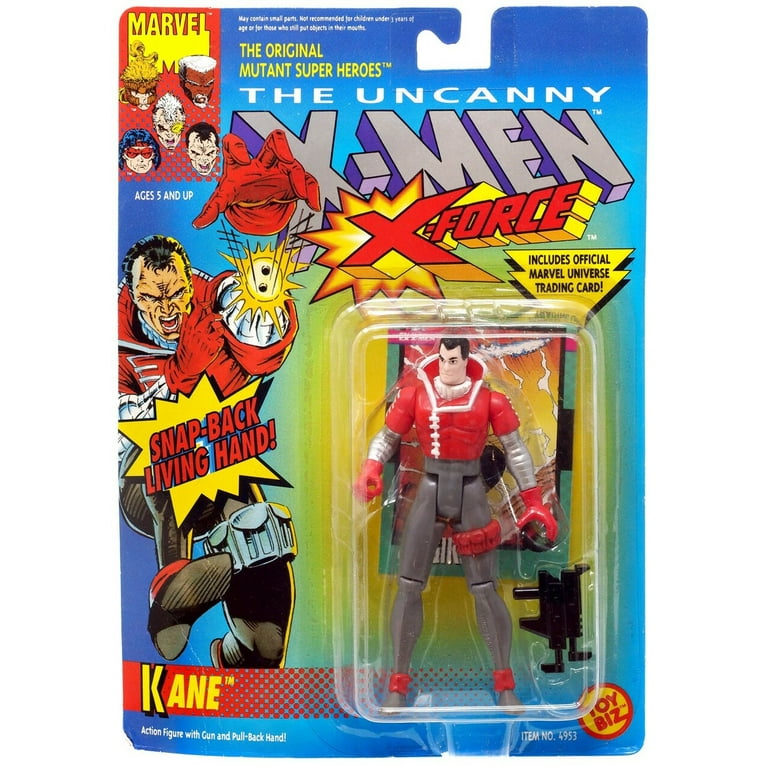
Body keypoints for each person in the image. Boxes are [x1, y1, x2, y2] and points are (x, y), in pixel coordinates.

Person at [118, 234, 298, 663]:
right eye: (151, 298)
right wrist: (177, 379)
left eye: (177, 294)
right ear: (134, 296)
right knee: (164, 453)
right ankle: (171, 587)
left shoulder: (213, 298)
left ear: (188, 284)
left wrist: (263, 298)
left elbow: (259, 333)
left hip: (220, 461)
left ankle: (248, 652)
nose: (167, 309)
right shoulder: (109, 332)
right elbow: (117, 433)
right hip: (146, 487)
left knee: (260, 530)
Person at [354, 337, 558, 708]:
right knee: (408, 585)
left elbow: (516, 449)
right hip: (429, 491)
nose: (447, 366)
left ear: (466, 360)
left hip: (472, 493)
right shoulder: (414, 397)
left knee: (485, 588)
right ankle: (398, 684)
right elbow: (387, 437)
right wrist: (371, 467)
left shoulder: (491, 400)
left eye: (453, 360)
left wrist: (533, 501)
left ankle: (504, 684)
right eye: (443, 359)